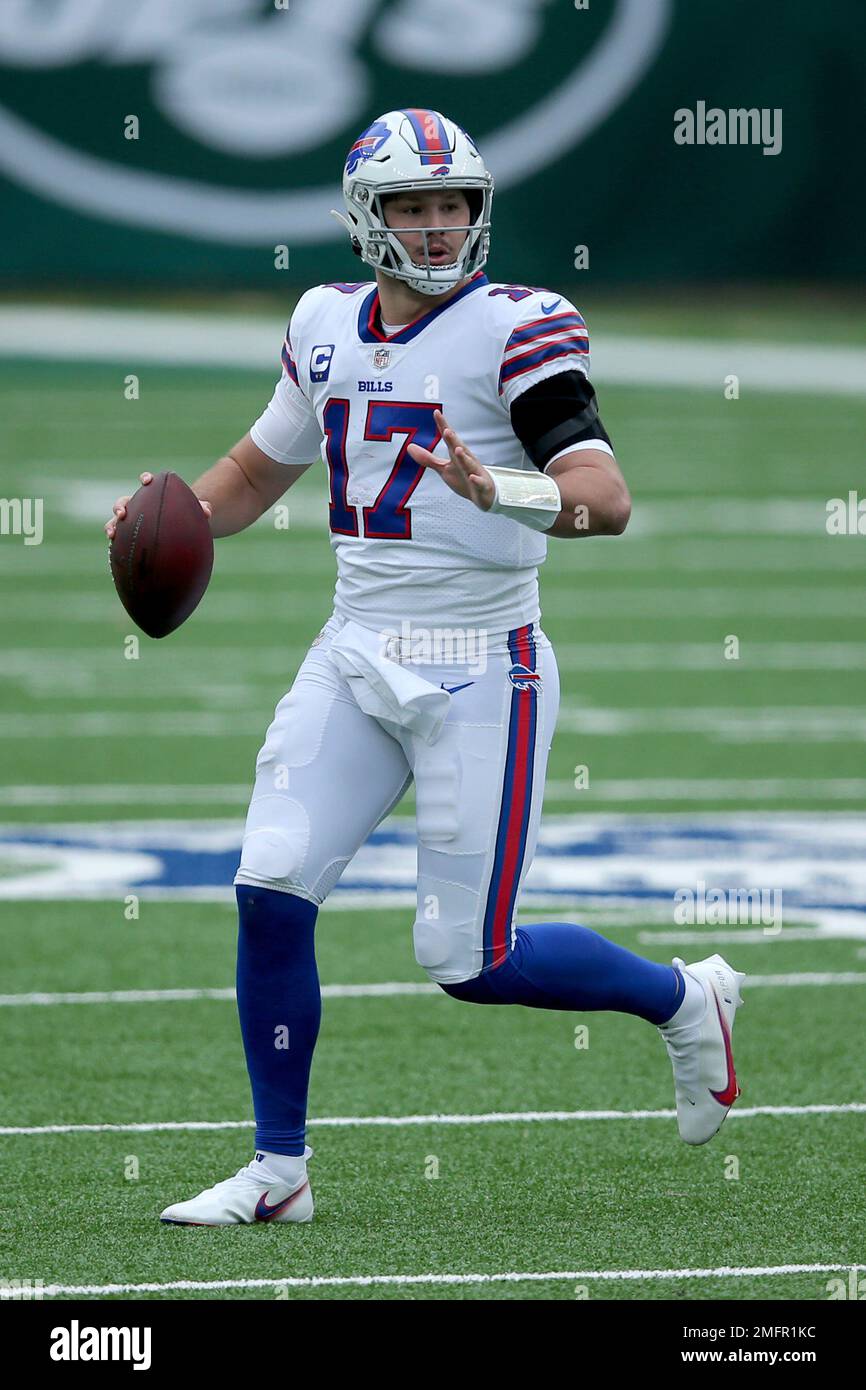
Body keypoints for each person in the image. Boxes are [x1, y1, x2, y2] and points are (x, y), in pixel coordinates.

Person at [106, 109, 744, 1227]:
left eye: (454, 204)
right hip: (352, 652)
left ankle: (684, 997)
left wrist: (507, 489)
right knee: (268, 887)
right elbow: (257, 474)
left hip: (479, 669)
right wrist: (168, 513)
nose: (441, 227)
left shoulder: (518, 328)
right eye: (414, 206)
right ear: (367, 217)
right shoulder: (322, 322)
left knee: (468, 958)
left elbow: (607, 500)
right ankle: (278, 1169)